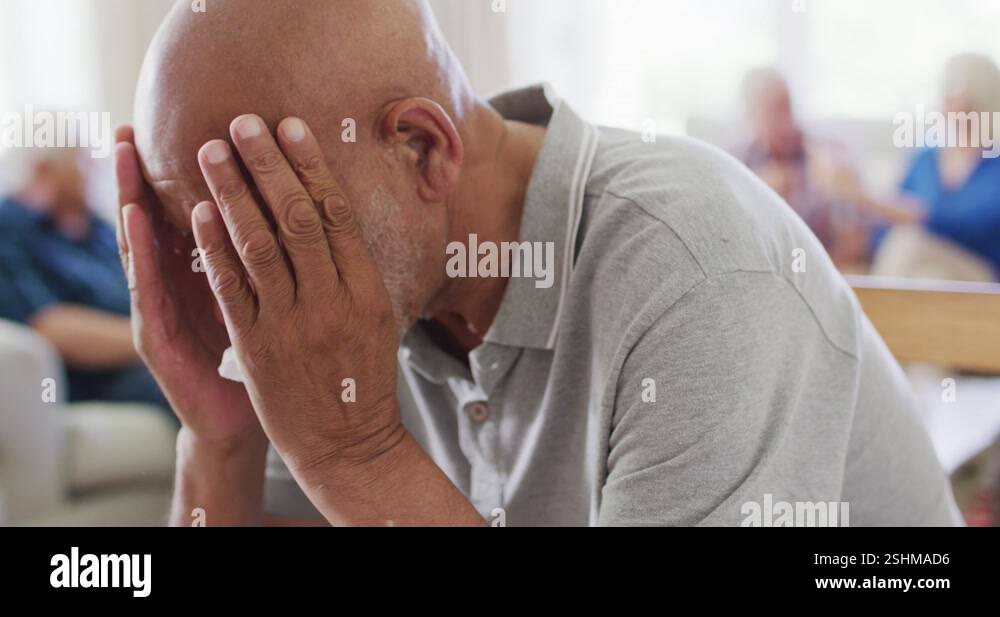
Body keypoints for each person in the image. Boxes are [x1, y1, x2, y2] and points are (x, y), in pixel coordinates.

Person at [118, 0, 958, 526]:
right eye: (183, 225)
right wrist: (220, 436)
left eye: (255, 223)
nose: (221, 276)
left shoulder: (701, 271)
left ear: (420, 148)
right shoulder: (388, 282)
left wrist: (357, 456)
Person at [0, 147, 169, 411]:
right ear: (43, 169)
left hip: (144, 357)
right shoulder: (10, 227)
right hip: (91, 377)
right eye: (82, 162)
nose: (94, 171)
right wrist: (164, 343)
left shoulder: (99, 230)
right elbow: (50, 326)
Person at [834, 54, 1000, 282]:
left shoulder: (994, 162)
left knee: (908, 243)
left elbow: (968, 224)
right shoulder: (926, 158)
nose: (948, 99)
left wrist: (874, 202)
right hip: (929, 268)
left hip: (981, 274)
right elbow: (887, 224)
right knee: (929, 275)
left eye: (958, 90)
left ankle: (873, 314)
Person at [739, 68, 869, 270]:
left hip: (827, 271)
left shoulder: (828, 155)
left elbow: (855, 242)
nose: (785, 122)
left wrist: (838, 195)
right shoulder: (739, 163)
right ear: (752, 116)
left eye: (786, 107)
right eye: (772, 111)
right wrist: (756, 195)